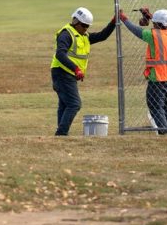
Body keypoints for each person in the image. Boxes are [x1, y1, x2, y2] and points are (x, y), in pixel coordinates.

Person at [50, 7, 117, 135]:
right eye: (85, 25)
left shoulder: (84, 35)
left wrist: (113, 21)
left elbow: (102, 36)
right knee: (74, 104)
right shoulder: (66, 34)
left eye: (88, 26)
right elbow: (60, 54)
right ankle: (61, 133)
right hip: (62, 73)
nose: (86, 28)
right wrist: (76, 68)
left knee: (65, 104)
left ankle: (61, 134)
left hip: (68, 74)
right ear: (76, 21)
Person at [122, 8, 167, 135]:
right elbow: (160, 27)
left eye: (154, 23)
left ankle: (164, 131)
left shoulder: (154, 36)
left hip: (158, 78)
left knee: (155, 106)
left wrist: (124, 19)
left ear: (158, 25)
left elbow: (136, 30)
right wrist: (150, 17)